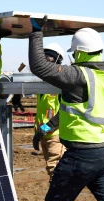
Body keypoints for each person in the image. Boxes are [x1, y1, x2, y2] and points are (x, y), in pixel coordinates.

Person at [29, 17, 104, 201]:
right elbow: (75, 110)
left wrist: (36, 32)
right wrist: (47, 128)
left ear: (79, 52)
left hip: (81, 155)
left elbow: (39, 66)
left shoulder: (78, 75)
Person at [33, 43, 66, 179]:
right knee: (51, 170)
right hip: (44, 134)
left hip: (55, 135)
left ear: (57, 60)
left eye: (49, 58)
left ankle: (59, 199)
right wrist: (37, 133)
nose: (45, 60)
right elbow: (42, 112)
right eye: (44, 57)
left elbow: (63, 112)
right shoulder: (44, 84)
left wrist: (47, 127)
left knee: (56, 170)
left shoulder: (62, 82)